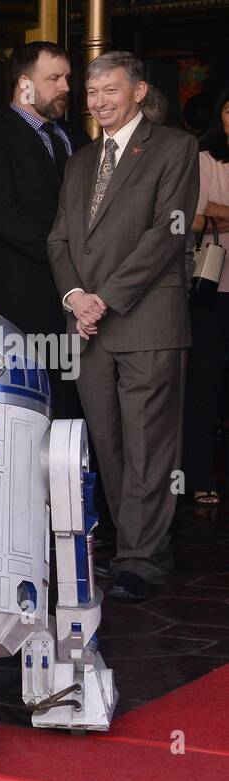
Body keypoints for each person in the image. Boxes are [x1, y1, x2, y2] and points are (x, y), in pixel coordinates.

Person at [48, 51, 200, 602]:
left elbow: (168, 234)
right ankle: (136, 543)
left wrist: (105, 298)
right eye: (92, 93)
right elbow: (59, 239)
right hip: (88, 327)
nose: (99, 102)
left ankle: (141, 556)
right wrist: (75, 298)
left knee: (149, 444)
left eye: (111, 90)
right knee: (109, 444)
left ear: (138, 91)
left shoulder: (175, 148)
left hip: (146, 321)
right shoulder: (80, 160)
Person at [0, 41, 82, 418]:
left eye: (67, 77)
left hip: (77, 302)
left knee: (72, 408)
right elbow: (5, 218)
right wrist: (71, 255)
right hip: (20, 302)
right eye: (55, 78)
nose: (66, 86)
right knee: (26, 406)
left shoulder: (76, 138)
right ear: (25, 84)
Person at [183, 88, 229, 505]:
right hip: (214, 289)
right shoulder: (204, 159)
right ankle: (199, 476)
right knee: (205, 384)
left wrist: (221, 209)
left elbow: (211, 212)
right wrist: (211, 212)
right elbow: (189, 219)